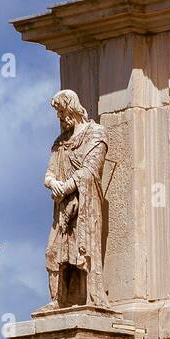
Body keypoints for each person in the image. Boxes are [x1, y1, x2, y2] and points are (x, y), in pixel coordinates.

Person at [44, 89, 109, 307]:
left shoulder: (96, 134)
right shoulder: (60, 142)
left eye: (61, 112)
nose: (59, 118)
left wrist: (66, 187)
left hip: (85, 203)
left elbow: (91, 170)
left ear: (71, 108)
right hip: (62, 205)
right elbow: (49, 173)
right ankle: (58, 300)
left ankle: (89, 298)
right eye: (58, 113)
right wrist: (54, 184)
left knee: (84, 248)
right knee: (53, 251)